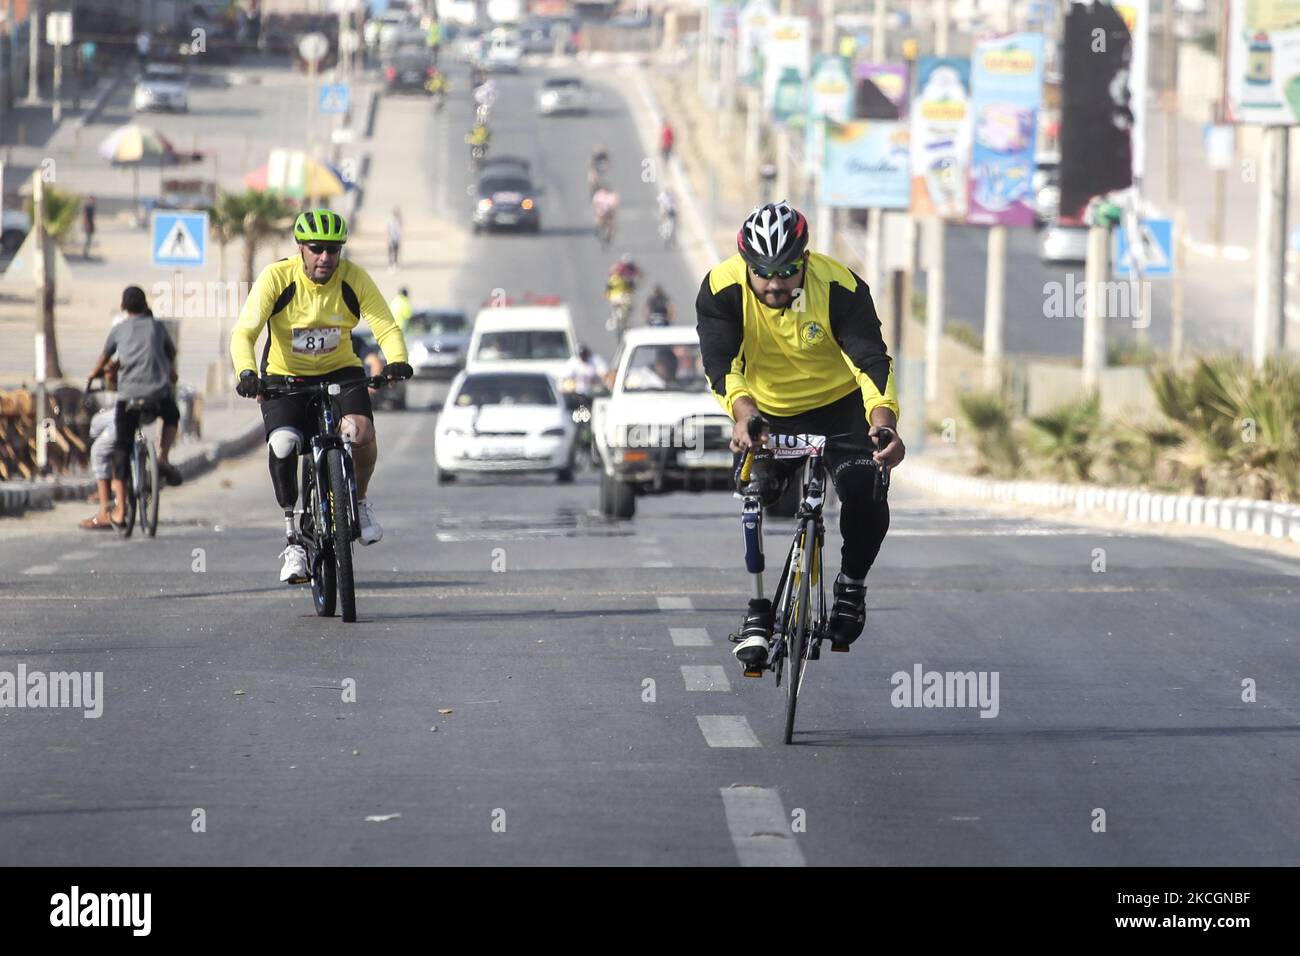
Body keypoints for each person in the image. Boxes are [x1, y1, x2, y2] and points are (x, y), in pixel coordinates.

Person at [696, 200, 906, 669]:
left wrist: (883, 422)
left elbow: (871, 361)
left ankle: (851, 585)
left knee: (863, 488)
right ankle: (757, 611)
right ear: (745, 264)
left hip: (841, 409)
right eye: (763, 272)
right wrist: (744, 414)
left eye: (787, 271)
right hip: (767, 411)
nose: (774, 283)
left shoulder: (840, 286)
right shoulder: (721, 289)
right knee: (755, 492)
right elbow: (720, 366)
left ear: (805, 260)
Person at [229, 209, 412, 584]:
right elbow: (244, 333)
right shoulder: (277, 278)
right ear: (301, 248)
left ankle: (358, 504)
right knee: (282, 445)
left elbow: (386, 325)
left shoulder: (354, 279)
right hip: (284, 377)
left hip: (340, 371)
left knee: (360, 432)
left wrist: (397, 361)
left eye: (333, 250)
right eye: (316, 249)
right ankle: (292, 538)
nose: (325, 258)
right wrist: (247, 373)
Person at [85, 286, 184, 526]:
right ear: (145, 305)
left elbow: (104, 359)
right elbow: (170, 354)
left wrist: (92, 375)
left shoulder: (118, 330)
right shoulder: (157, 327)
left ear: (123, 307)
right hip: (158, 395)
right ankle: (162, 457)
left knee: (121, 447)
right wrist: (170, 373)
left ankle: (118, 512)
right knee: (172, 414)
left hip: (129, 397)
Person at [386, 208, 402, 272]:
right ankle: (390, 265)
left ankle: (395, 264)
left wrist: (399, 238)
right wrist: (387, 237)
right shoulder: (390, 219)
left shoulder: (398, 220)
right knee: (390, 252)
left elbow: (399, 230)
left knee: (396, 252)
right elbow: (387, 229)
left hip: (396, 238)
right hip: (391, 238)